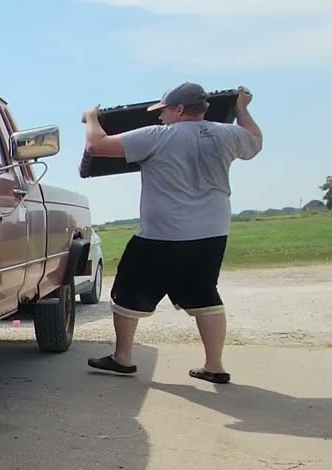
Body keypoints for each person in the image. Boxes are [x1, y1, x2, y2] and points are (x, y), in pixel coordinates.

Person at [81, 82, 262, 384]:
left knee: (127, 291)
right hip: (212, 233)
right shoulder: (229, 134)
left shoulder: (157, 137)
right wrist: (242, 109)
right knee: (205, 294)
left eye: (163, 111)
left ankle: (123, 357)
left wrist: (91, 118)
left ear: (178, 110)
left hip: (163, 234)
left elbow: (96, 146)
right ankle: (214, 365)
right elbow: (255, 141)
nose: (160, 117)